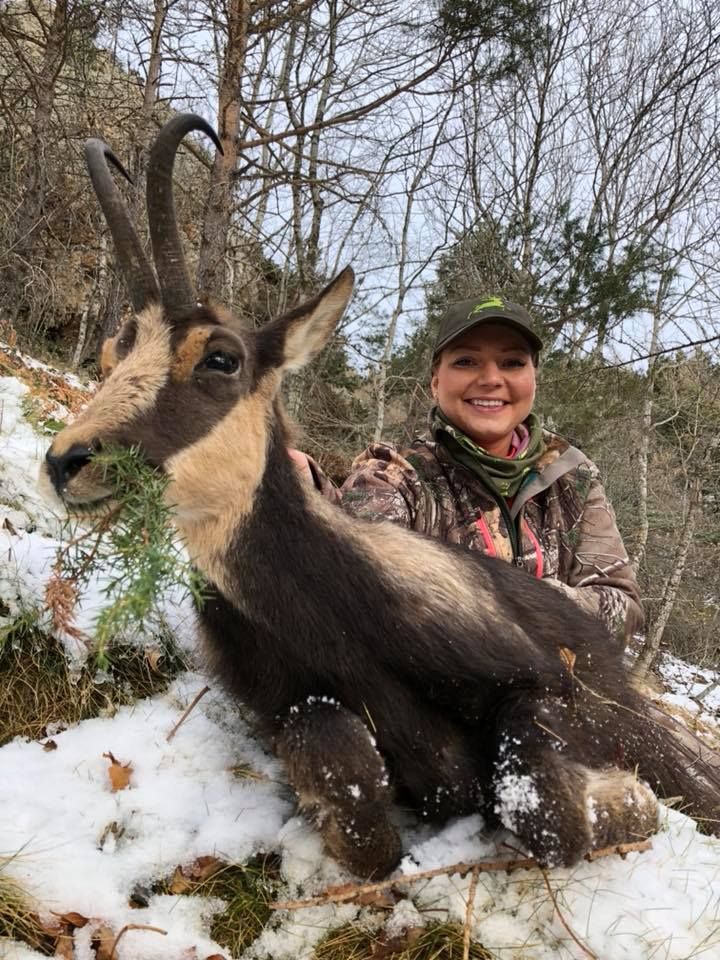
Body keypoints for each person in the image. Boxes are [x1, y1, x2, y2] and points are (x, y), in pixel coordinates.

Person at [291, 294, 643, 644]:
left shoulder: (571, 475)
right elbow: (359, 572)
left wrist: (530, 604)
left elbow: (622, 607)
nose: (491, 378)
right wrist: (309, 499)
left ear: (534, 378)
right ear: (435, 382)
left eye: (512, 363)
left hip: (561, 679)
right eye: (466, 361)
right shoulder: (396, 475)